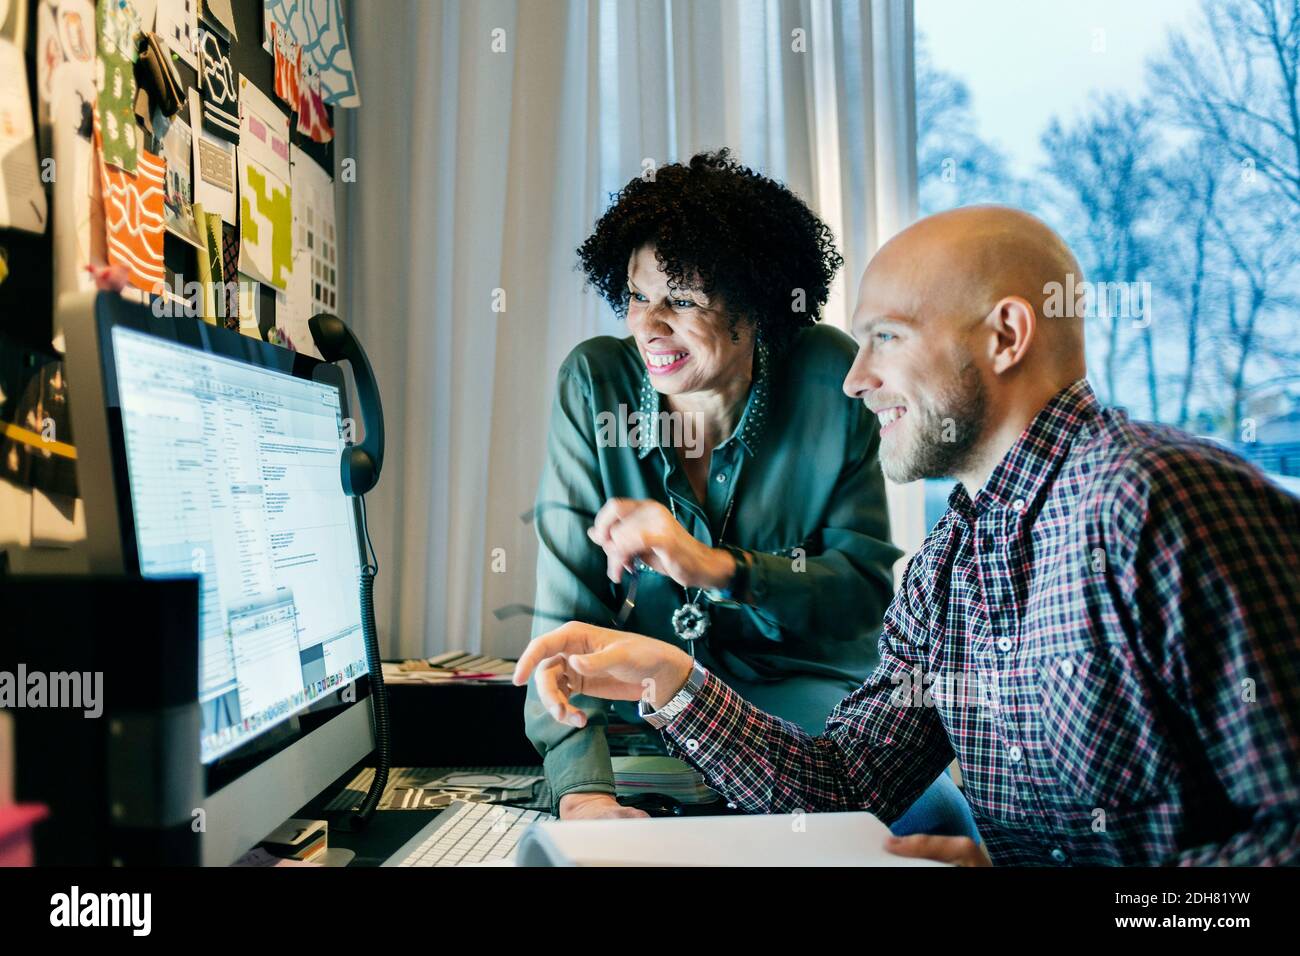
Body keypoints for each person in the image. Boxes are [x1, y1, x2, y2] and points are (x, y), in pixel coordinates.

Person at [515, 204, 1300, 865]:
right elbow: (848, 788)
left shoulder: (1160, 501)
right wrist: (674, 682)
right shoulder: (947, 571)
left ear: (1005, 337)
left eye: (885, 336)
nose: (855, 380)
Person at [526, 149, 973, 833]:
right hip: (646, 713)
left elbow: (858, 593)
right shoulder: (594, 386)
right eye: (638, 296)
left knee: (935, 825)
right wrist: (582, 793)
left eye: (681, 300)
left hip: (810, 716)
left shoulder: (830, 375)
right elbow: (563, 626)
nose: (649, 325)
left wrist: (721, 570)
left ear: (754, 307)